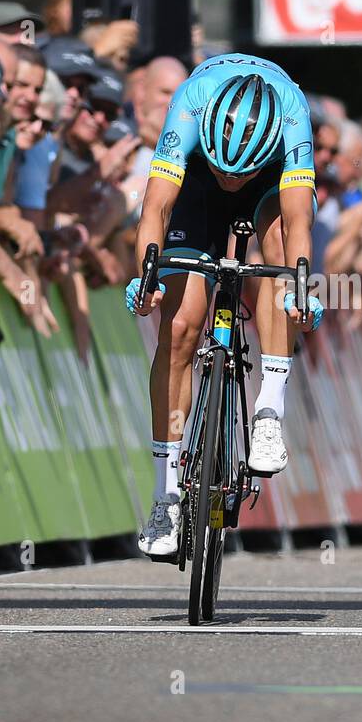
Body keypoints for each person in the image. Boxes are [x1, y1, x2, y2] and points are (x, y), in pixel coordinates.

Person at [129, 53, 323, 558]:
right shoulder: (189, 106)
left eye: (238, 175)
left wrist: (302, 287)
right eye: (225, 173)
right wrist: (146, 276)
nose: (230, 181)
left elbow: (299, 224)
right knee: (182, 324)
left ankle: (268, 414)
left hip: (271, 183)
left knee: (280, 252)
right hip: (195, 183)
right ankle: (165, 495)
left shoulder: (292, 116)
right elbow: (155, 210)